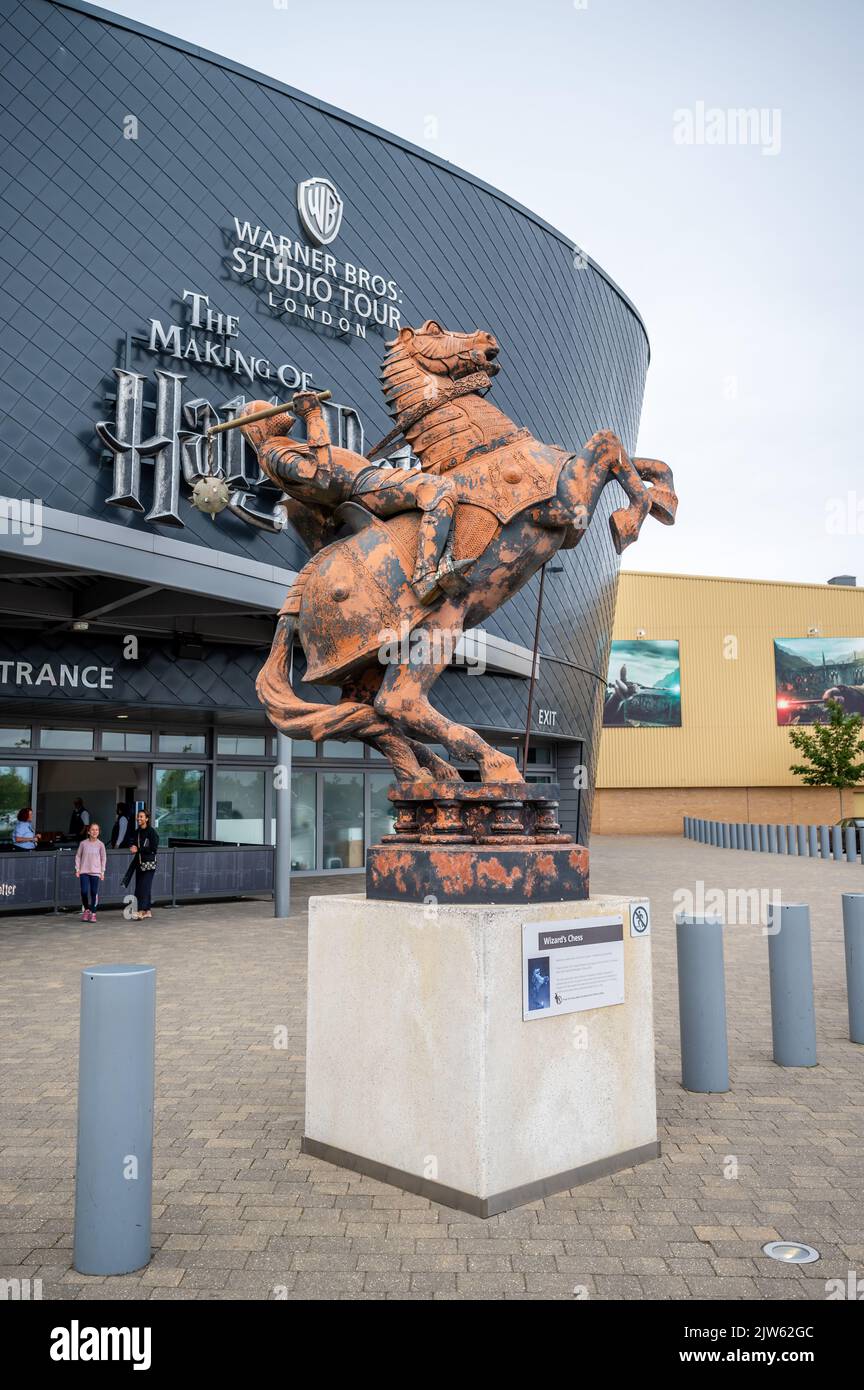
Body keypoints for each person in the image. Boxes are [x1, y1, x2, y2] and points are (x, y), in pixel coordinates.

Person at [128, 809, 159, 920]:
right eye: (138, 816)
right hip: (140, 863)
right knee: (142, 887)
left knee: (143, 887)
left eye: (141, 816)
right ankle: (148, 911)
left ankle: (141, 911)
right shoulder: (137, 832)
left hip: (149, 864)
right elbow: (133, 843)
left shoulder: (151, 832)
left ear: (147, 818)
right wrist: (132, 847)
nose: (139, 818)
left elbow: (153, 849)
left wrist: (139, 849)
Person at [75, 822, 106, 923]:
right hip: (84, 871)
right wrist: (77, 869)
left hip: (96, 872)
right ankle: (87, 910)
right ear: (88, 831)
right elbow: (78, 856)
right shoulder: (83, 843)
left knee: (93, 892)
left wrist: (102, 872)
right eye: (92, 830)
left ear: (99, 832)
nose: (94, 832)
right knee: (84, 891)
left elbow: (103, 858)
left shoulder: (101, 845)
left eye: (96, 830)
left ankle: (93, 913)